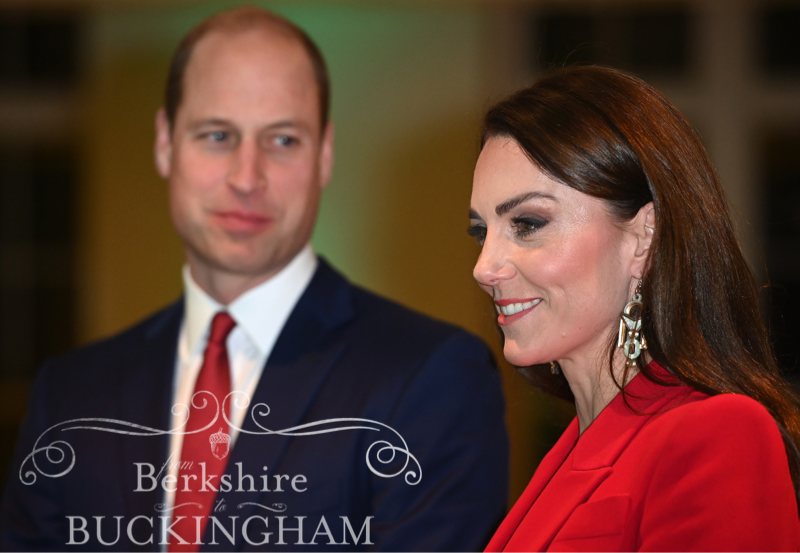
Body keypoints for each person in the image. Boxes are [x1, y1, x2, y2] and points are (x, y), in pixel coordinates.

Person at [0, 7, 508, 552]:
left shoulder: (432, 378)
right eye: (217, 135)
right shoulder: (72, 394)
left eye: (283, 139)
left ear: (325, 154)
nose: (247, 177)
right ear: (165, 143)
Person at [468, 65, 800, 552]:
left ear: (644, 235)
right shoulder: (568, 454)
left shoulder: (716, 435)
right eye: (482, 231)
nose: (484, 266)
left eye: (528, 223)